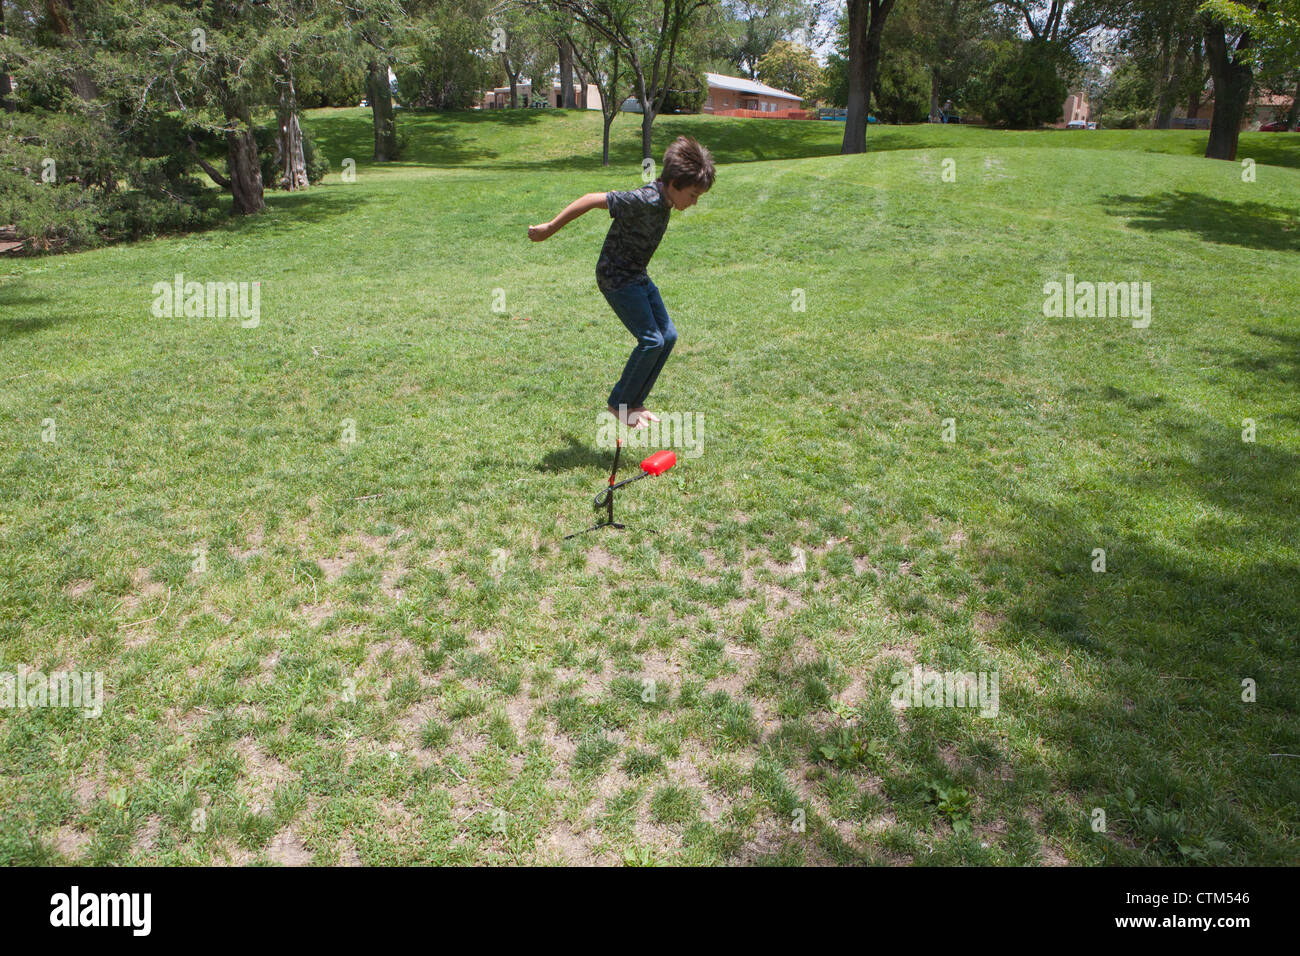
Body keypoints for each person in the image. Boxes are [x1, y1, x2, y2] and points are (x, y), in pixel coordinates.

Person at [528, 136, 715, 429]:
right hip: (615, 276)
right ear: (675, 183)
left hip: (637, 275)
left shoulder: (666, 199)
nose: (694, 202)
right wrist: (549, 228)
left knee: (668, 336)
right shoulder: (645, 199)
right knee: (651, 339)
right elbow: (592, 199)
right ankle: (619, 405)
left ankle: (634, 402)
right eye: (693, 195)